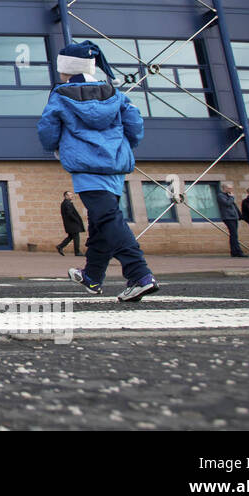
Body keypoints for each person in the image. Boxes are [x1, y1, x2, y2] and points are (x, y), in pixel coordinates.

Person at [38, 41, 159, 302]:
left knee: (107, 218)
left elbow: (47, 131)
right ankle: (92, 275)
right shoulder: (114, 93)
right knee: (100, 220)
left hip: (86, 166)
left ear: (65, 68)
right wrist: (122, 145)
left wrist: (55, 147)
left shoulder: (61, 94)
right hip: (115, 165)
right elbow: (135, 124)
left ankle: (139, 273)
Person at [217, 182, 246, 257]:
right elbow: (227, 204)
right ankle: (238, 251)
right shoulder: (221, 196)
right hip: (228, 217)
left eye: (231, 188)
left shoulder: (228, 196)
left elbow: (234, 206)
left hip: (233, 217)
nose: (231, 189)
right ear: (224, 188)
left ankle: (234, 251)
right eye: (229, 188)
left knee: (234, 235)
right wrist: (232, 197)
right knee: (234, 234)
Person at [56, 191, 85, 256]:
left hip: (70, 223)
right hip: (72, 223)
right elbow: (70, 213)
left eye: (71, 195)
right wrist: (76, 220)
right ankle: (77, 252)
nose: (71, 196)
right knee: (76, 237)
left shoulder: (66, 203)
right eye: (69, 195)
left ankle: (60, 246)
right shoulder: (67, 203)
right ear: (66, 196)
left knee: (71, 236)